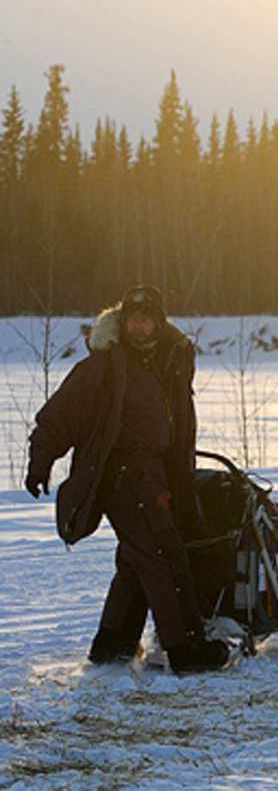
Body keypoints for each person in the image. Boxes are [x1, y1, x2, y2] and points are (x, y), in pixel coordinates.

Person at [25, 285, 230, 673]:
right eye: (132, 320)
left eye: (146, 319)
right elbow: (60, 415)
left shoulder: (171, 358)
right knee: (164, 555)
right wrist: (40, 462)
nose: (139, 327)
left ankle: (113, 643)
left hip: (159, 472)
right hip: (125, 474)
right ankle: (187, 651)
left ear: (158, 322)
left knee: (139, 558)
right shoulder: (106, 365)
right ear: (122, 322)